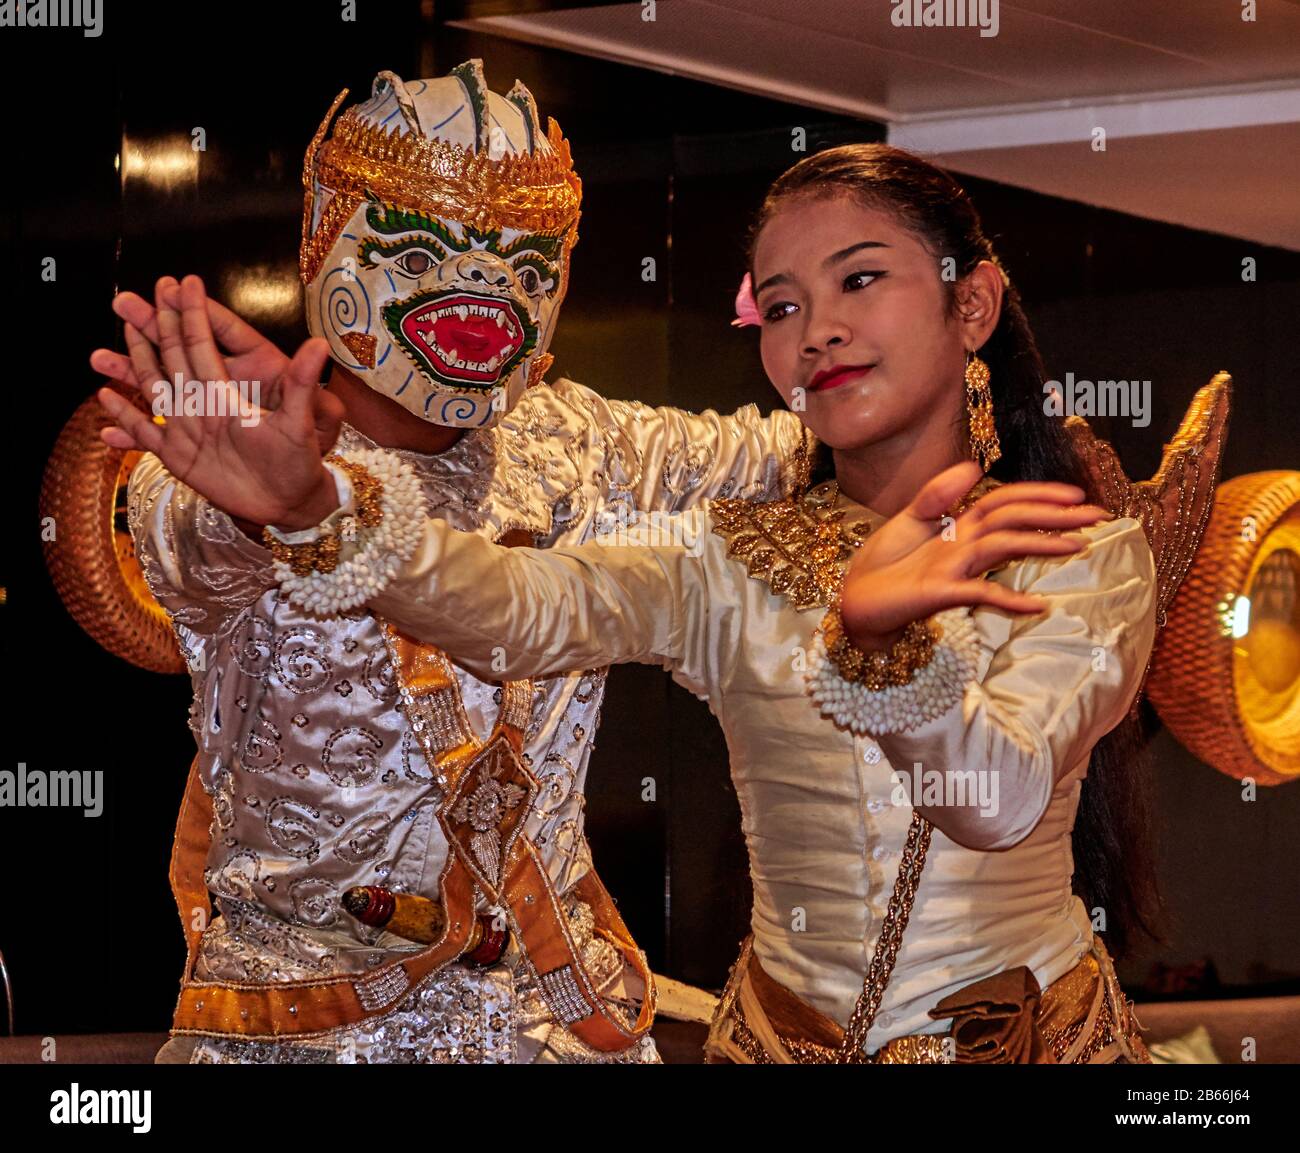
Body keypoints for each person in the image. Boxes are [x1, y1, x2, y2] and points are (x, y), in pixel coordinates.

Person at [99, 143, 1179, 1063]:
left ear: (972, 301)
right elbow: (515, 607)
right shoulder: (729, 559)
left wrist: (881, 648)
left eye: (860, 281)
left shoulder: (1079, 555)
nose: (816, 333)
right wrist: (317, 507)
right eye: (783, 305)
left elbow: (988, 804)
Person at [92, 62, 803, 1064]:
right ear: (325, 243)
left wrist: (991, 400)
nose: (483, 298)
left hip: (554, 1027)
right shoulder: (230, 462)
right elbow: (200, 544)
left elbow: (799, 455)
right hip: (309, 1039)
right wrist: (286, 508)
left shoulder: (579, 441)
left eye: (523, 268)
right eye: (424, 250)